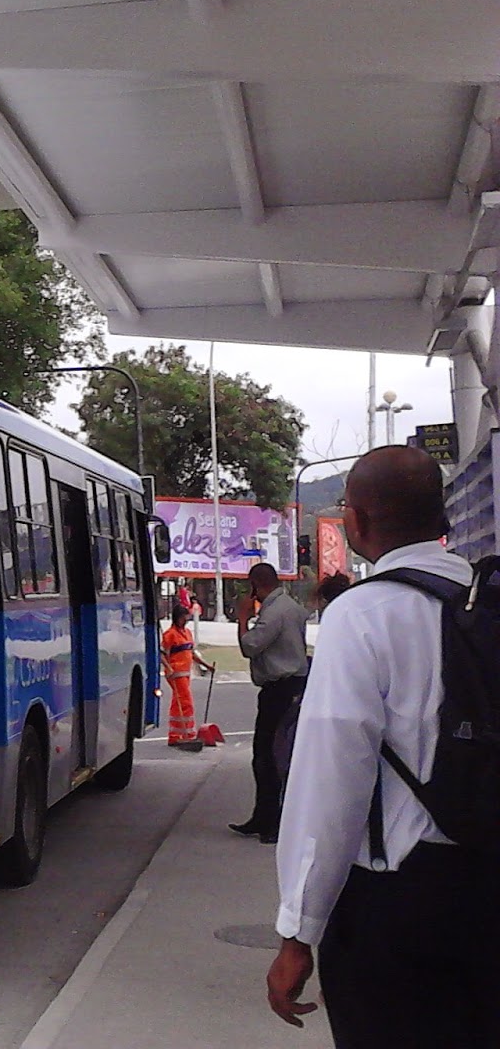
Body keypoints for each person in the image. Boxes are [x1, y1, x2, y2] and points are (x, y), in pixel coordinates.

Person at [266, 445, 498, 1046]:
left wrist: (299, 931)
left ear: (359, 521)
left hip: (397, 900)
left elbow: (330, 780)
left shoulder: (361, 614)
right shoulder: (487, 600)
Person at [230, 560, 309, 843]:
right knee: (273, 754)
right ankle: (263, 815)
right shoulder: (290, 606)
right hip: (290, 686)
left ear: (256, 585)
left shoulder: (275, 612)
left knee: (267, 756)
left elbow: (250, 646)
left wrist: (241, 618)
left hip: (280, 688)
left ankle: (271, 822)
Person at [161, 604, 213, 749]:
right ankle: (186, 735)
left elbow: (191, 653)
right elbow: (162, 654)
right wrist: (169, 667)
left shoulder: (187, 633)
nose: (186, 620)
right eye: (184, 618)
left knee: (179, 702)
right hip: (175, 673)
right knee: (185, 703)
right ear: (177, 618)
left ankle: (178, 735)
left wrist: (206, 665)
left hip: (185, 673)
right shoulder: (170, 634)